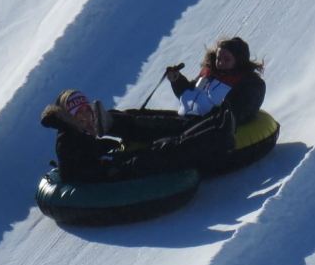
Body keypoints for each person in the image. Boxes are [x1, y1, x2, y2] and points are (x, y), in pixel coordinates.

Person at [40, 37, 265, 181]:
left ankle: (118, 137)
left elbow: (240, 109)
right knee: (143, 117)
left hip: (207, 123)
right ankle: (109, 120)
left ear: (239, 61)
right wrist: (178, 81)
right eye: (218, 57)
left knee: (162, 135)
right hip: (188, 117)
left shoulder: (247, 84)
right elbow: (191, 95)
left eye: (226, 58)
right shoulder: (210, 76)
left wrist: (224, 117)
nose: (220, 62)